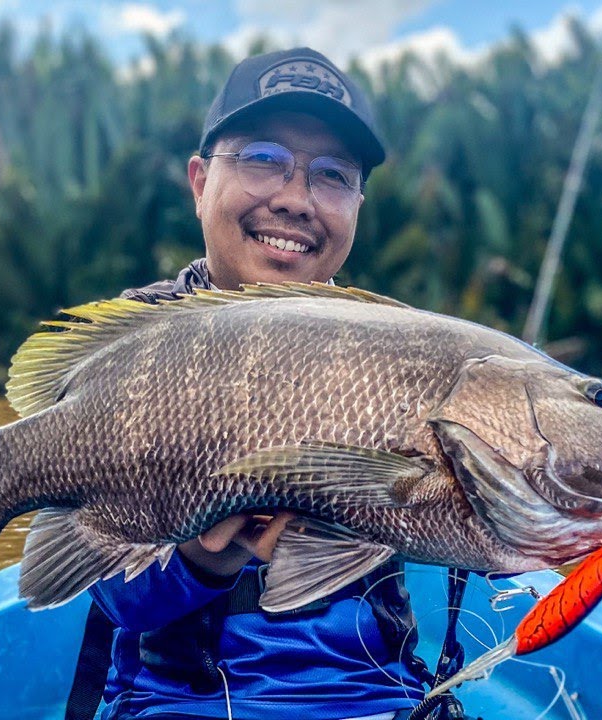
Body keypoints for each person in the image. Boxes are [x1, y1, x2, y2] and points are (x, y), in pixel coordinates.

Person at [68, 48, 433, 720]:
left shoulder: (398, 347)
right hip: (178, 703)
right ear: (200, 181)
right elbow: (110, 590)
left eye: (333, 175)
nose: (294, 198)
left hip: (378, 697)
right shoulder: (135, 339)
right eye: (264, 158)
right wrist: (205, 559)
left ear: (357, 204)